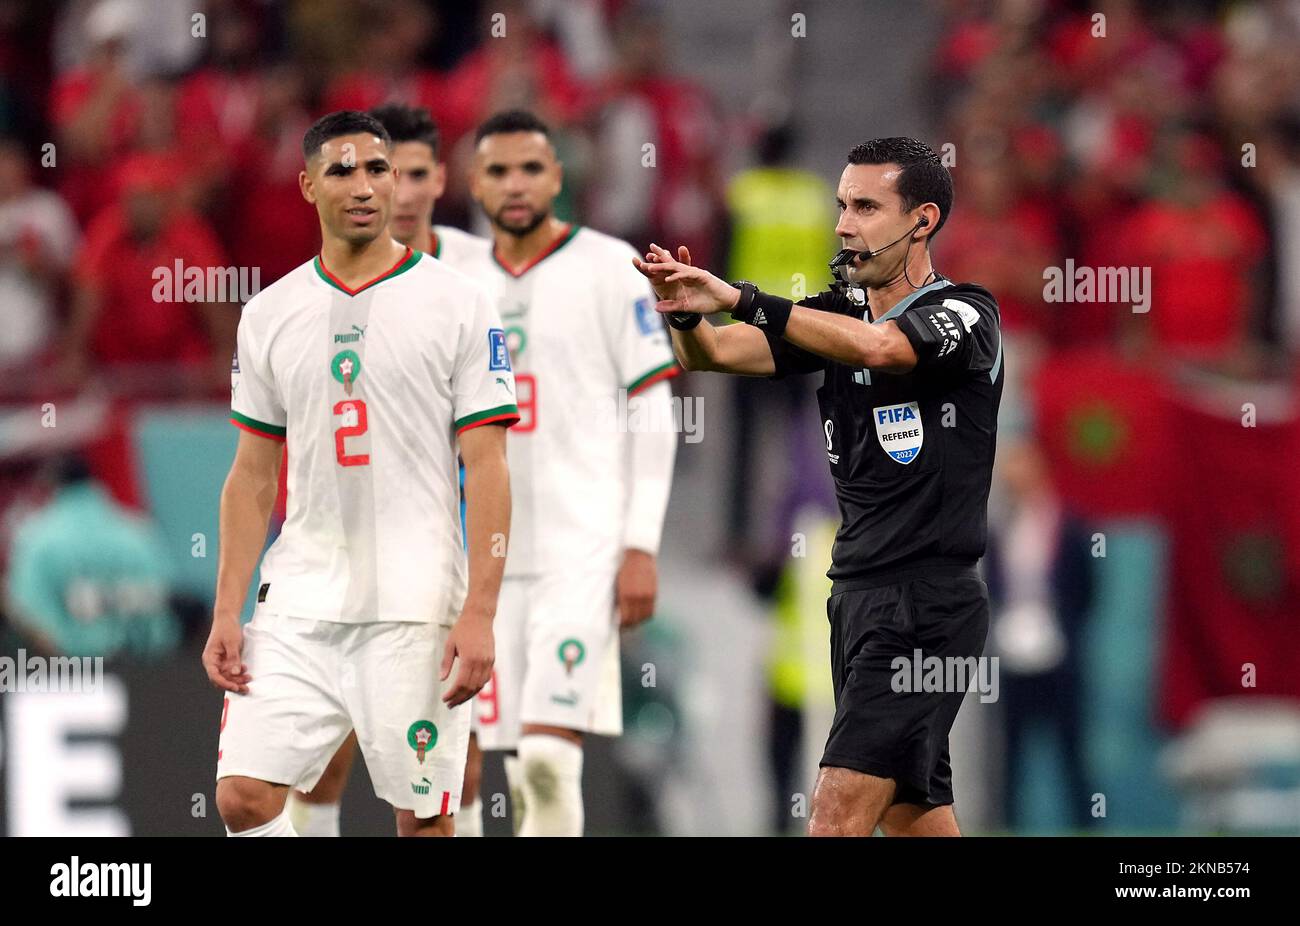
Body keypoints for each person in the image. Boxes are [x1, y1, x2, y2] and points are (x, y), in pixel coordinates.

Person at [635, 137, 1004, 836]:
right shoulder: (838, 316)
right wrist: (686, 313)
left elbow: (883, 348)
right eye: (841, 205)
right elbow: (710, 354)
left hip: (926, 605)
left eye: (865, 206)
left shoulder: (964, 314)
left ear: (923, 220)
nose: (843, 224)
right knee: (913, 817)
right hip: (857, 600)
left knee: (834, 812)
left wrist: (742, 296)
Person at [203, 110, 517, 837]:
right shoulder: (270, 313)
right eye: (343, 170)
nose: (368, 185)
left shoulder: (460, 304)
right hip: (300, 600)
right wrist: (227, 608)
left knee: (424, 824)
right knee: (243, 798)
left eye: (380, 169)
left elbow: (489, 466)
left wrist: (479, 611)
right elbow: (253, 476)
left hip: (416, 603)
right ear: (308, 184)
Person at [455, 109, 678, 836]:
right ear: (474, 183)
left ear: (557, 176)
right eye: (498, 170)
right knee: (471, 771)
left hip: (579, 554)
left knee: (549, 761)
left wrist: (639, 542)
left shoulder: (612, 267)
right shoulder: (449, 281)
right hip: (476, 568)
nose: (515, 184)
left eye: (530, 168)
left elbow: (654, 406)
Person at [286, 103, 491, 837]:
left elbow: (496, 435)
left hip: (443, 553)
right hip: (336, 545)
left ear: (437, 179)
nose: (390, 190)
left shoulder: (475, 282)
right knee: (326, 752)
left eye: (401, 172)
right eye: (373, 172)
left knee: (452, 767)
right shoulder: (313, 289)